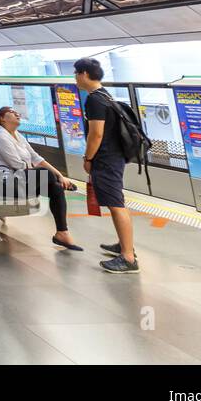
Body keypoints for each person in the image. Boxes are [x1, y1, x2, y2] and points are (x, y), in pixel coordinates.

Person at [0, 107, 82, 251]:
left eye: (17, 112)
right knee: (45, 174)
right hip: (3, 183)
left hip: (20, 180)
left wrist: (60, 176)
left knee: (56, 187)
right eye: (12, 112)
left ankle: (62, 232)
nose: (17, 114)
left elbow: (36, 158)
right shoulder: (0, 136)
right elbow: (17, 165)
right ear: (2, 118)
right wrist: (49, 175)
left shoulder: (16, 134)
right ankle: (62, 185)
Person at [75, 57, 139, 273]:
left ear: (83, 74)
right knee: (115, 203)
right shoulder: (105, 96)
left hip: (106, 159)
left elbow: (96, 133)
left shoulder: (94, 100)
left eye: (76, 73)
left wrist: (88, 158)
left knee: (116, 204)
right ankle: (124, 245)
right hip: (114, 157)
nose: (75, 78)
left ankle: (128, 258)